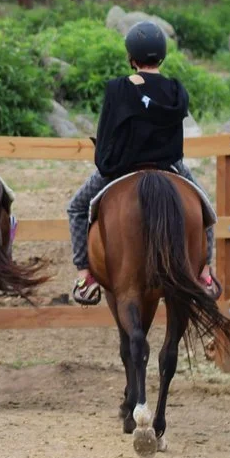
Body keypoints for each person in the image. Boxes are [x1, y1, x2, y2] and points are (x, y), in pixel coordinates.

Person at [67, 21, 218, 305]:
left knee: (76, 207)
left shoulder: (118, 89)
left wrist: (106, 163)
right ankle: (205, 272)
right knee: (206, 210)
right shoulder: (176, 91)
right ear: (161, 56)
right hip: (171, 166)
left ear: (131, 58)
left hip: (125, 166)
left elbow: (108, 133)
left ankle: (85, 274)